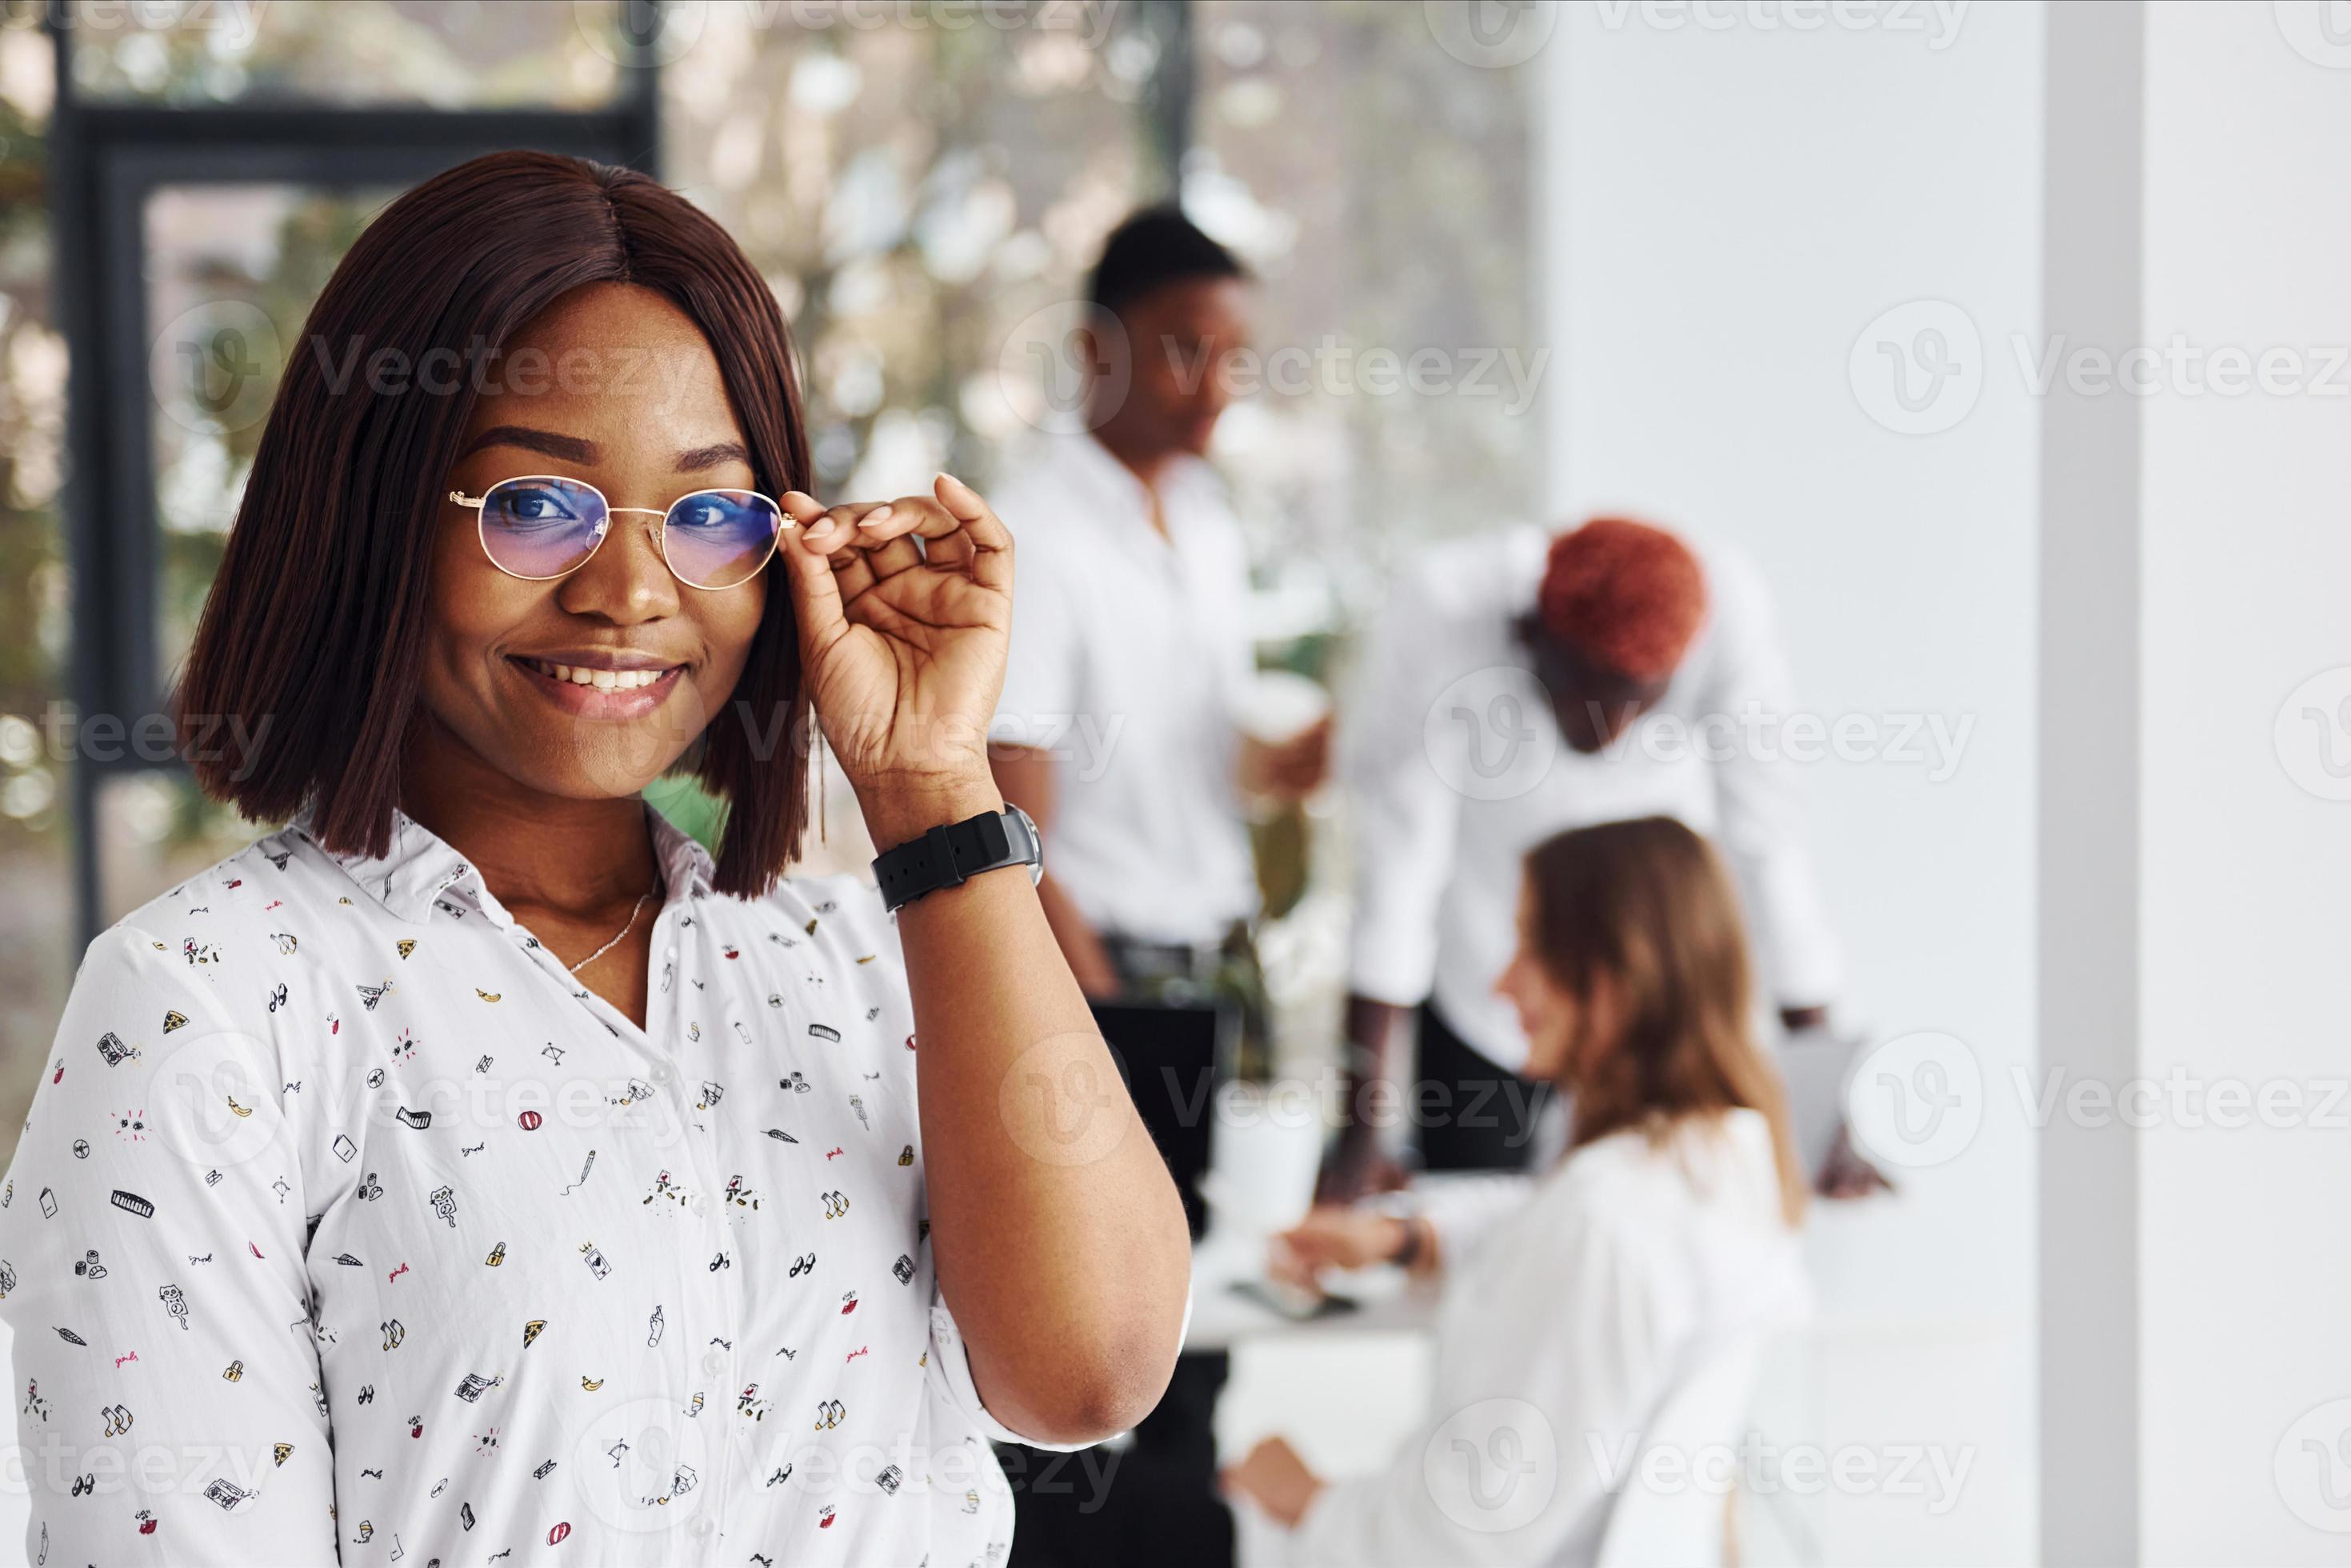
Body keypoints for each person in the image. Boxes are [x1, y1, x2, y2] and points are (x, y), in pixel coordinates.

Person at [0, 150, 1193, 1567]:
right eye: (534, 505)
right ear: (377, 514)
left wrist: (931, 789)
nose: (629, 592)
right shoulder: (209, 1006)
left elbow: (1091, 1373)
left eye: (706, 515)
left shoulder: (858, 964)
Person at [1221, 817, 1811, 1564]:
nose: (1502, 982)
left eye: (1531, 945)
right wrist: (1406, 1237)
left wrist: (1304, 1495)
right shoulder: (1726, 1162)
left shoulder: (1604, 1223)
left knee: (1111, 1511)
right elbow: (1541, 1220)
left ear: (1613, 982)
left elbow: (1455, 1545)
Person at [1321, 515, 1864, 1197]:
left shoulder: (1725, 616)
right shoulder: (1446, 609)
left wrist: (1823, 1122)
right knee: (1478, 1238)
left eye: (1637, 705)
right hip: (1491, 1002)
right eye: (1588, 698)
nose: (1613, 731)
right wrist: (1356, 1146)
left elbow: (1768, 851)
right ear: (1529, 637)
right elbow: (1395, 880)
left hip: (1649, 1012)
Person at [988, 206, 1328, 1070]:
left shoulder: (1206, 521)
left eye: (1234, 356)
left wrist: (1279, 770)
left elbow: (1185, 756)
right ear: (1095, 348)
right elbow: (1008, 828)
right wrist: (1101, 1019)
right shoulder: (1033, 537)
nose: (1217, 384)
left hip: (1225, 956)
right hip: (1108, 968)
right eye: (1185, 350)